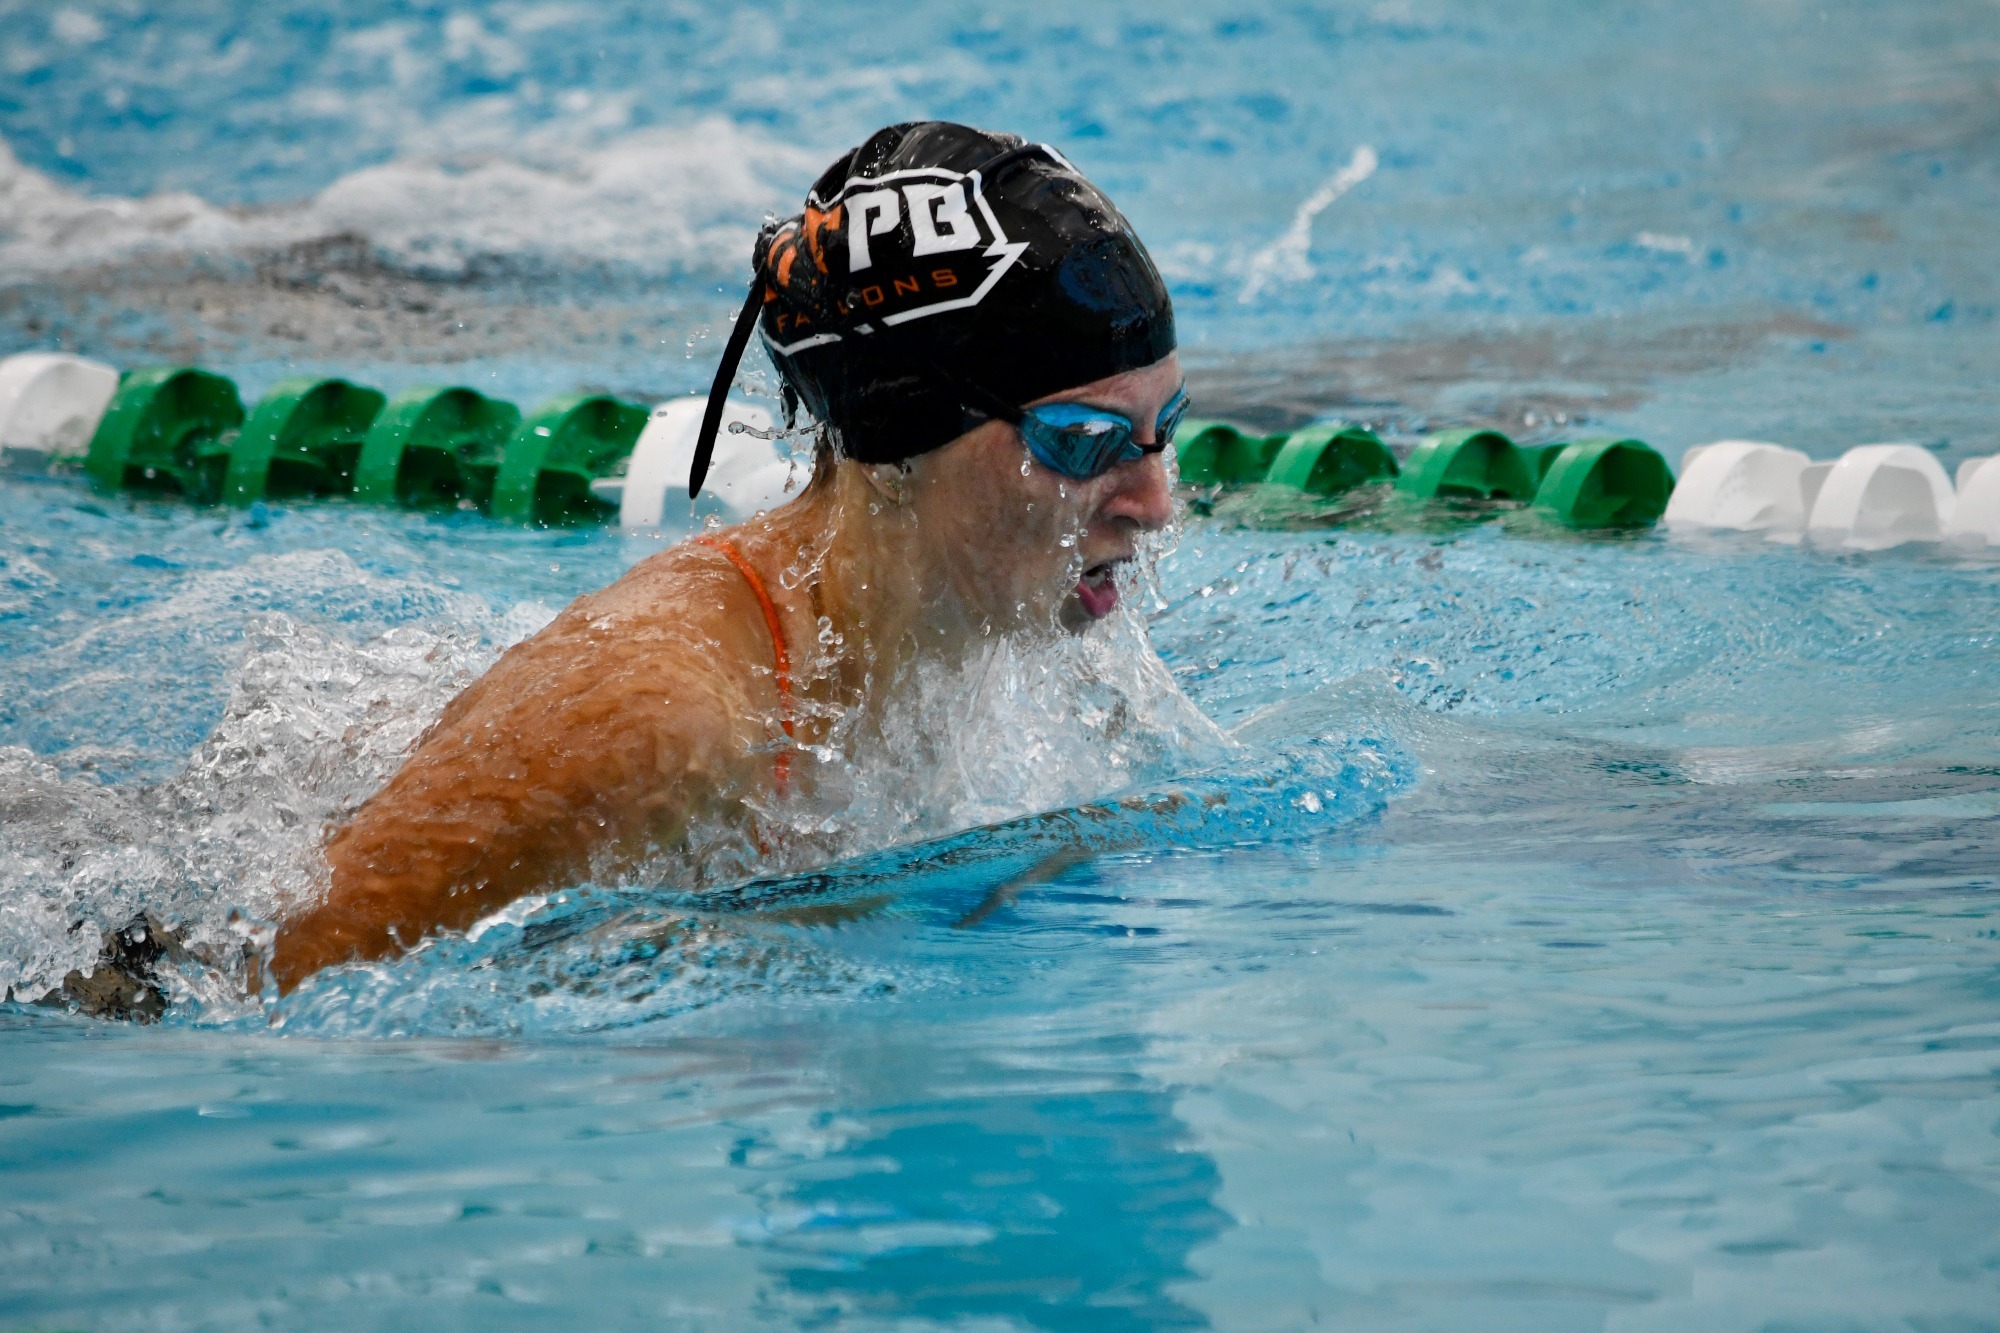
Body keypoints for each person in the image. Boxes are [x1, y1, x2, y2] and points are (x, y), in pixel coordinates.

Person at [263, 122, 1186, 993]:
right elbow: (288, 983)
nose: (1155, 503)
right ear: (896, 437)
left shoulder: (975, 634)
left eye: (1163, 431)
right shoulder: (658, 730)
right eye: (1082, 441)